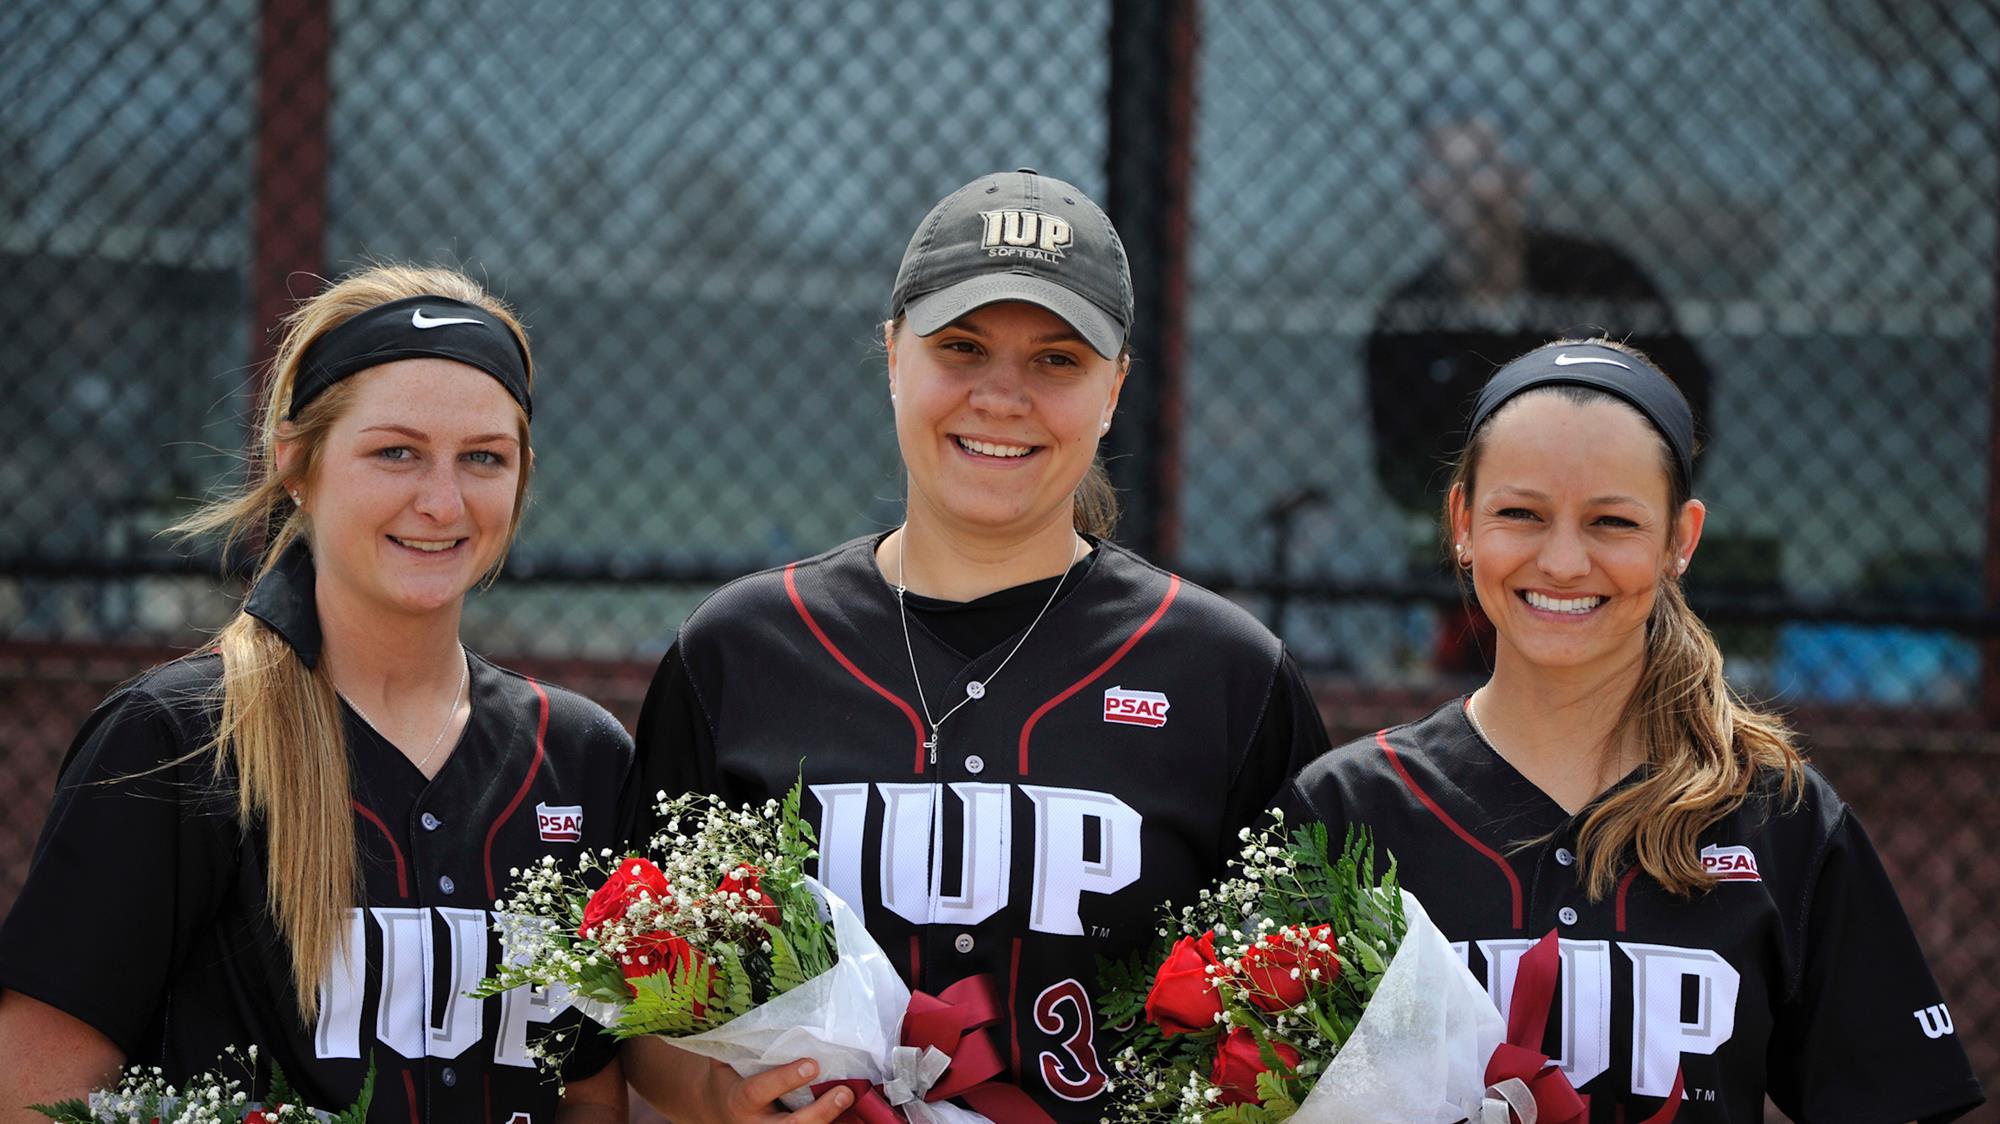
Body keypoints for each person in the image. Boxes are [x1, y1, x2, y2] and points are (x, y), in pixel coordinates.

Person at [622, 169, 1330, 1123]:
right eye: (960, 347)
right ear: (891, 358)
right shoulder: (740, 650)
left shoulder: (1225, 675)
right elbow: (633, 1016)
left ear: (1116, 388)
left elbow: (1310, 1029)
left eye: (1056, 360)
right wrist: (716, 1099)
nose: (1002, 397)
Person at [1279, 339, 1983, 1121]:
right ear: (1462, 521)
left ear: (1681, 538)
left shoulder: (1773, 814)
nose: (1565, 560)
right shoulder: (1348, 809)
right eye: (1521, 513)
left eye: (1612, 521)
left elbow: (1897, 1101)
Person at [0, 266, 637, 1122]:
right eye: (396, 452)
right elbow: (33, 1087)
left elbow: (589, 1090)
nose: (442, 501)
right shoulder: (177, 740)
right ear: (296, 463)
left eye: (484, 457)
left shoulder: (580, 756)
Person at [1367, 113, 1716, 673]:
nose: (1468, 191)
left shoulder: (1599, 281)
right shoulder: (1406, 321)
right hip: (1468, 608)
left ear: (1519, 176)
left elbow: (1690, 408)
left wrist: (1621, 496)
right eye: (1445, 172)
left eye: (1481, 166)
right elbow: (1399, 469)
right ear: (1422, 191)